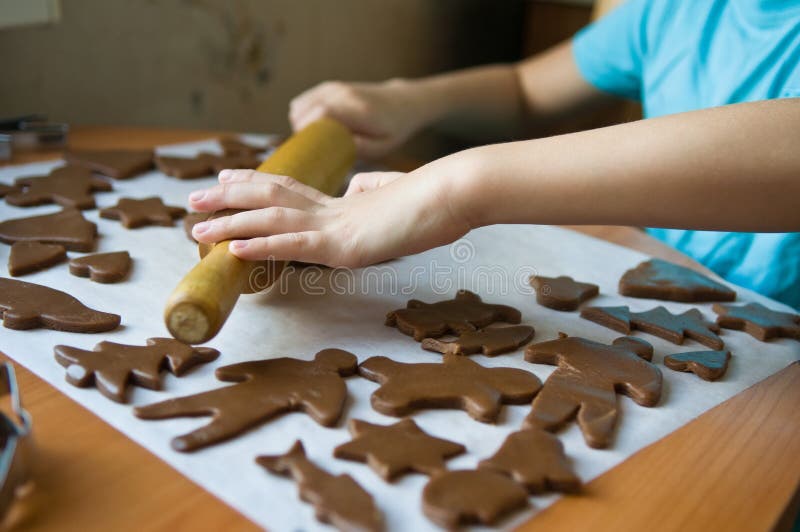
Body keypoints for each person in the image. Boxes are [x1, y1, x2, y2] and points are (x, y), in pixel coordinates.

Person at [188, 0, 800, 308]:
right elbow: (527, 90)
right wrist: (408, 100)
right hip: (660, 297)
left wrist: (457, 188)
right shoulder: (673, 10)